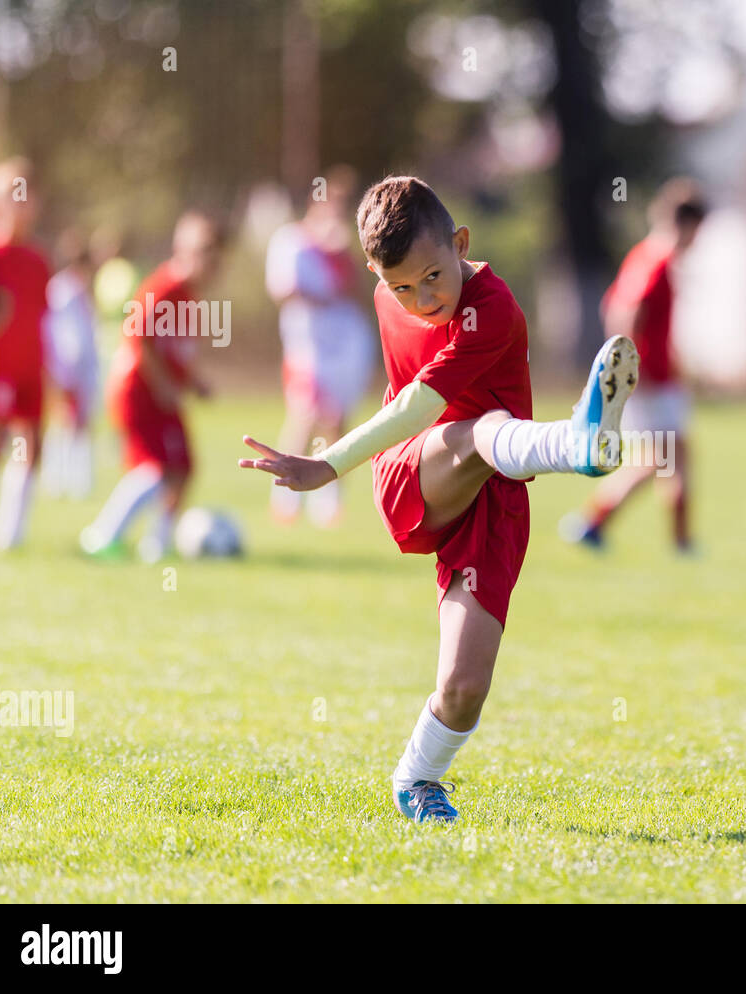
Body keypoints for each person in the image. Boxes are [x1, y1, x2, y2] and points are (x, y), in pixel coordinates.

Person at [238, 176, 638, 823]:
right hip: (414, 472)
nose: (422, 300)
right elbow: (416, 408)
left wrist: (327, 461)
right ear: (376, 274)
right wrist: (331, 465)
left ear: (461, 243)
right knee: (477, 434)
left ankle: (416, 780)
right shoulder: (384, 296)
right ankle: (577, 444)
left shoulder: (495, 308)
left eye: (432, 277)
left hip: (494, 500)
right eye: (400, 286)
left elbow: (423, 394)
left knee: (462, 690)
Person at [559, 178, 706, 554]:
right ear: (687, 225)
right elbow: (626, 312)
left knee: (670, 459)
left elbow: (616, 307)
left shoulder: (645, 255)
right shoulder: (655, 260)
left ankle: (680, 541)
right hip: (651, 381)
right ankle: (594, 522)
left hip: (657, 377)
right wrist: (628, 368)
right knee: (661, 460)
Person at [80, 212, 221, 562]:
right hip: (138, 392)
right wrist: (161, 386)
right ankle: (103, 536)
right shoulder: (164, 287)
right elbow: (137, 338)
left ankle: (157, 544)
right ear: (184, 250)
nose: (212, 265)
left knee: (181, 468)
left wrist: (194, 383)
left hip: (161, 396)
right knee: (156, 468)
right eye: (206, 254)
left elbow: (174, 352)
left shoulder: (190, 297)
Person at [265, 165, 375, 527]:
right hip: (307, 345)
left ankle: (328, 500)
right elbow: (283, 290)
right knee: (305, 415)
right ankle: (285, 495)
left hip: (344, 345)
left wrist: (343, 255)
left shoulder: (346, 245)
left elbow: (357, 292)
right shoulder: (292, 241)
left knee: (337, 420)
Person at [0, 158, 50, 551]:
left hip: (30, 369)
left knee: (32, 443)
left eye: (26, 194)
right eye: (11, 194)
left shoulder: (37, 259)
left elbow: (42, 316)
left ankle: (11, 533)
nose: (20, 203)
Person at [41, 229, 100, 499]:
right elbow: (64, 333)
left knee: (77, 423)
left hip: (79, 369)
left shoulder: (77, 290)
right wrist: (68, 370)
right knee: (66, 423)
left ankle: (74, 479)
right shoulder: (64, 290)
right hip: (68, 369)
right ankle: (60, 479)